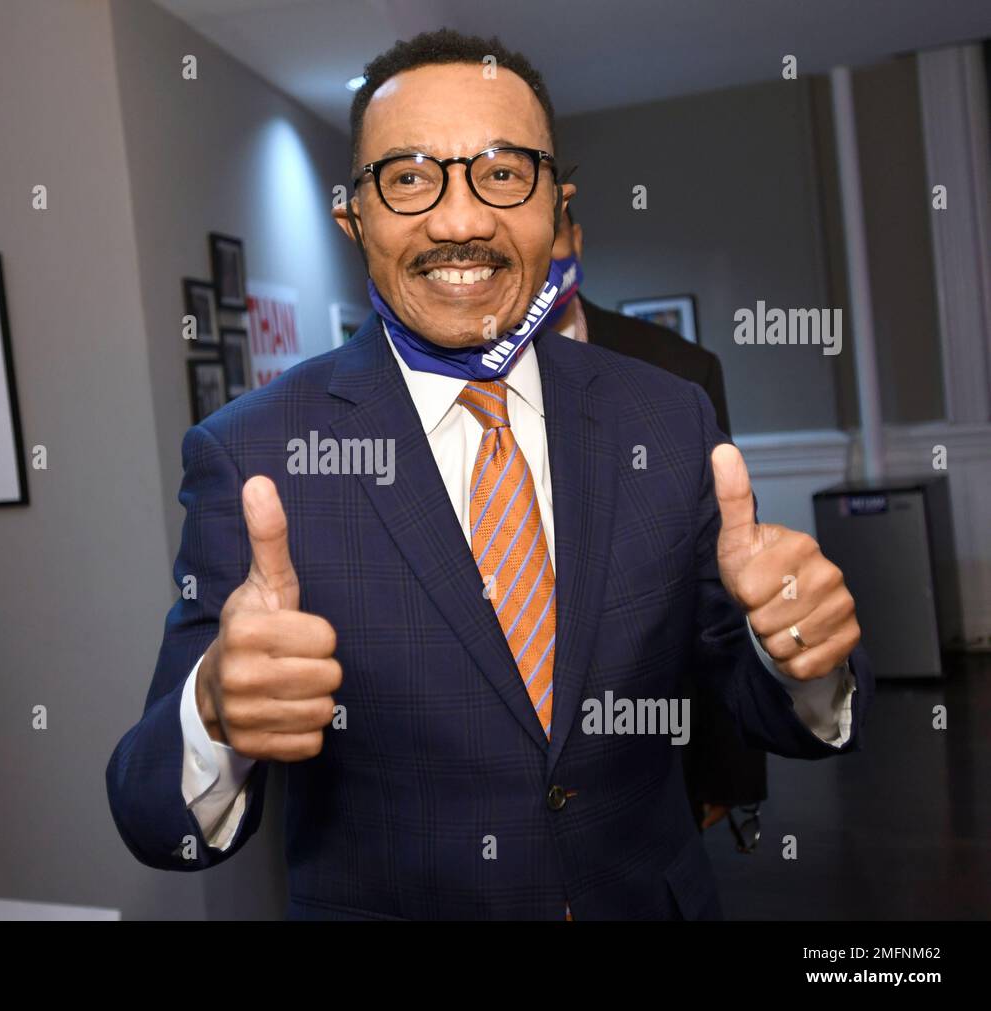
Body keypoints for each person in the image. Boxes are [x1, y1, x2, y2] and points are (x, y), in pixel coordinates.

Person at [106, 29, 871, 920]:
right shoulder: (253, 457)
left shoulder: (667, 416)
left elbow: (750, 703)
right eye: (409, 176)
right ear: (354, 217)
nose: (461, 220)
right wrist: (212, 711)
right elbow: (154, 817)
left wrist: (800, 658)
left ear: (558, 204)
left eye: (503, 172)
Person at [547, 202, 768, 836]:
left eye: (553, 226)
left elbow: (724, 581)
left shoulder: (677, 372)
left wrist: (729, 775)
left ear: (576, 239)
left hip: (648, 758)